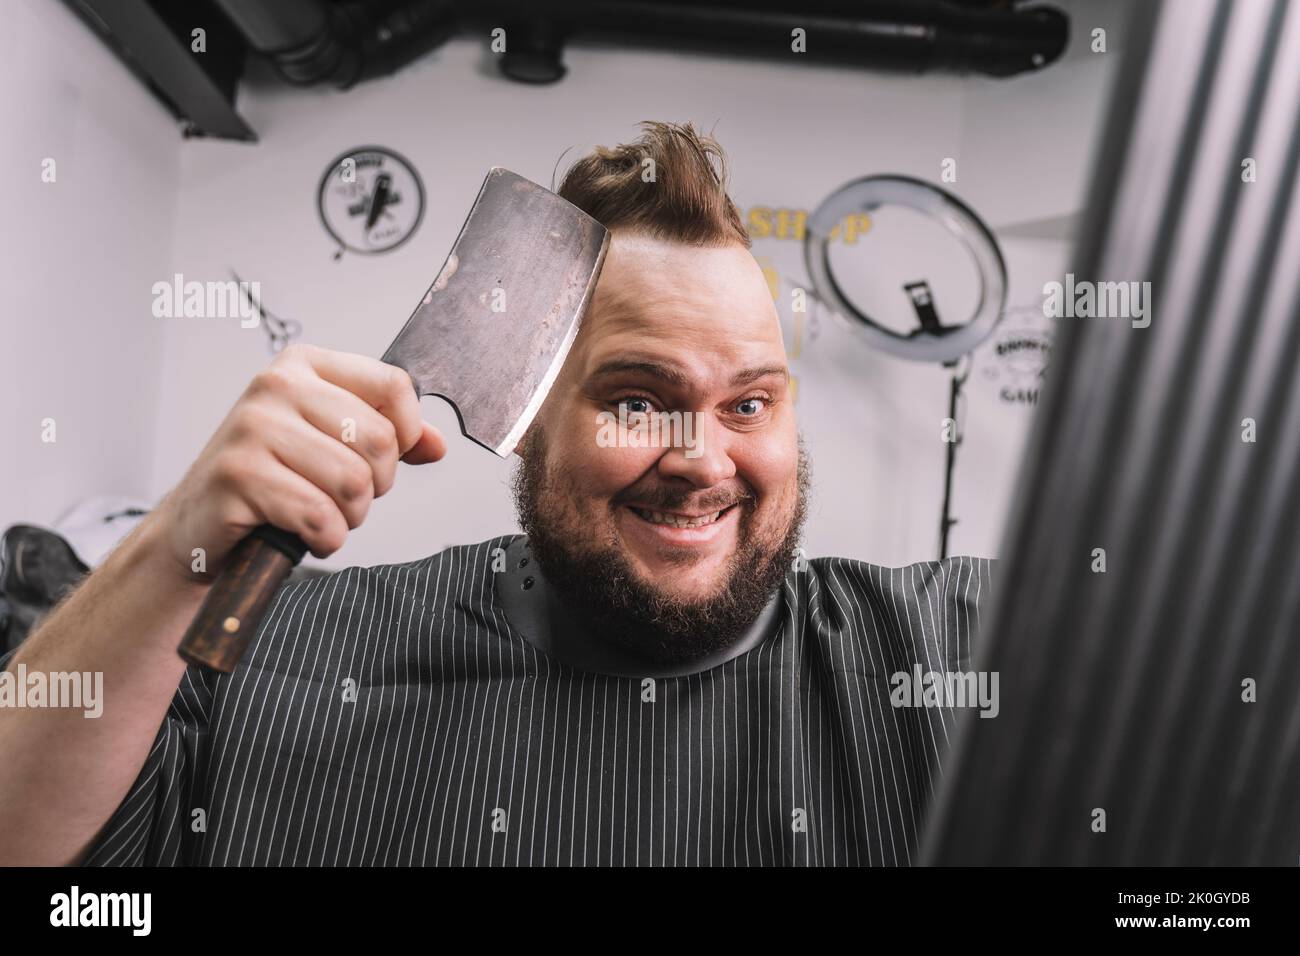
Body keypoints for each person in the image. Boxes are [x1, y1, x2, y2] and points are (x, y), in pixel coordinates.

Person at [0, 121, 993, 866]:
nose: (701, 455)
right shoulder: (277, 654)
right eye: (639, 397)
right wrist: (172, 546)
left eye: (750, 402)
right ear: (532, 426)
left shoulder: (941, 656)